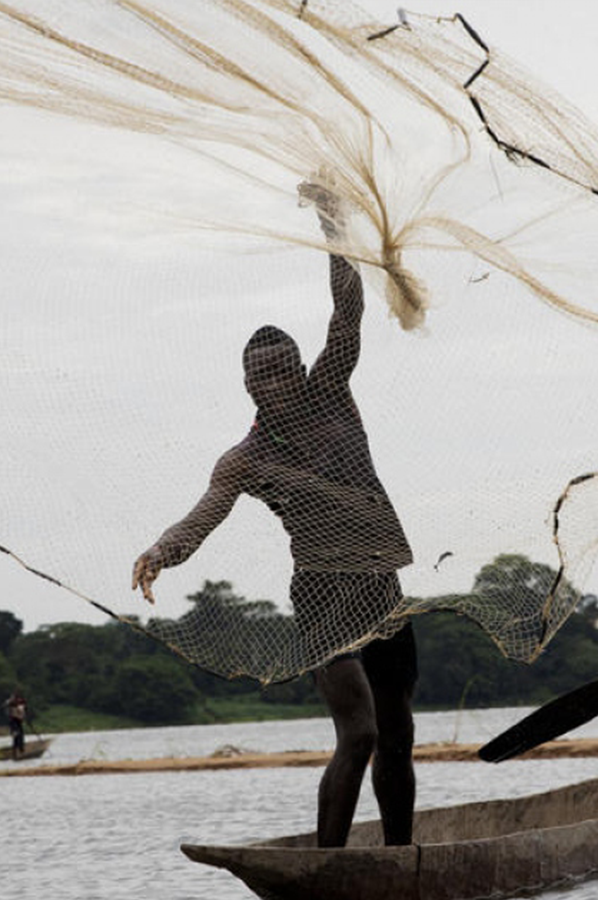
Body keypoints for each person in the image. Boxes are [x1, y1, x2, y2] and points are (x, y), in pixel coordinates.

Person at [132, 180, 416, 848]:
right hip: (320, 593)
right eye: (262, 378)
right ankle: (328, 866)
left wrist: (330, 219)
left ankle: (403, 863)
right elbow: (200, 517)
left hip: (380, 584)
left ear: (300, 370)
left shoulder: (333, 393)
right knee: (362, 732)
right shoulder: (247, 458)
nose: (275, 384)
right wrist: (161, 552)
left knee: (399, 737)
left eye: (284, 371)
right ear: (248, 387)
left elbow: (346, 308)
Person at [4, 689, 27, 758]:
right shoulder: (11, 702)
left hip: (19, 721)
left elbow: (23, 710)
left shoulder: (22, 703)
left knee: (21, 735)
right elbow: (6, 704)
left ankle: (21, 749)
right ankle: (15, 751)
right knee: (16, 734)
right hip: (13, 721)